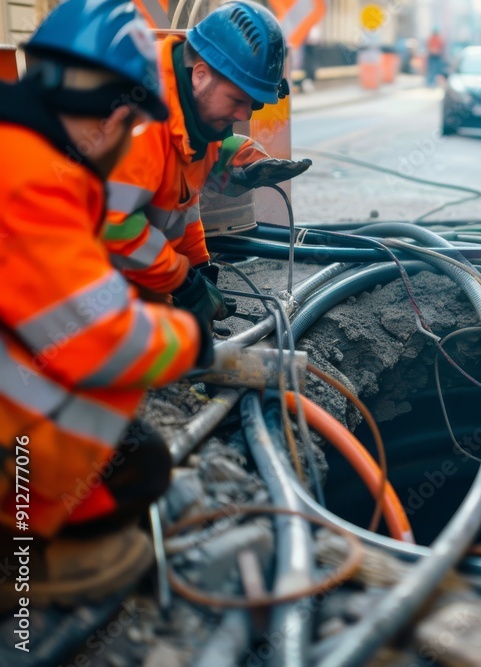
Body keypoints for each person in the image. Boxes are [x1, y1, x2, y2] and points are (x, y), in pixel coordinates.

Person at [0, 0, 213, 608]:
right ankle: (22, 548)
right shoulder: (38, 180)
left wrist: (193, 270)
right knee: (137, 458)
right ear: (118, 115)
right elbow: (99, 339)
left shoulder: (17, 150)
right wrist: (188, 339)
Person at [104, 1, 312, 327]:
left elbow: (182, 209)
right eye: (237, 100)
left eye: (253, 105)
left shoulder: (198, 122)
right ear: (200, 74)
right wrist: (183, 282)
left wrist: (201, 267)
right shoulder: (142, 117)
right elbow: (116, 228)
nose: (245, 116)